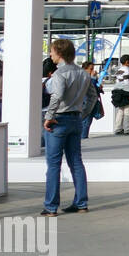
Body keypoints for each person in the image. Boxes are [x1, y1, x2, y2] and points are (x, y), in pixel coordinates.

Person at [41, 38, 94, 216]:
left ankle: (51, 206)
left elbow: (57, 96)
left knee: (54, 164)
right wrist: (83, 113)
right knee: (76, 162)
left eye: (52, 51)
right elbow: (93, 97)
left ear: (59, 53)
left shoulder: (59, 74)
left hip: (59, 120)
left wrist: (48, 117)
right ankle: (81, 203)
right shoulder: (83, 73)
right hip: (76, 119)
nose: (50, 54)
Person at [111, 54, 129, 135]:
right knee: (128, 111)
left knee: (120, 111)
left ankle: (118, 128)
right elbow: (127, 83)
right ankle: (128, 129)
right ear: (127, 62)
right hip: (126, 92)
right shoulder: (127, 70)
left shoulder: (119, 70)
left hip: (118, 92)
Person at [80, 61, 104, 140]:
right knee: (86, 121)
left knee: (88, 121)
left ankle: (84, 136)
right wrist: (93, 79)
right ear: (85, 69)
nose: (93, 71)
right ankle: (83, 137)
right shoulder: (84, 78)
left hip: (90, 102)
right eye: (91, 69)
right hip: (86, 102)